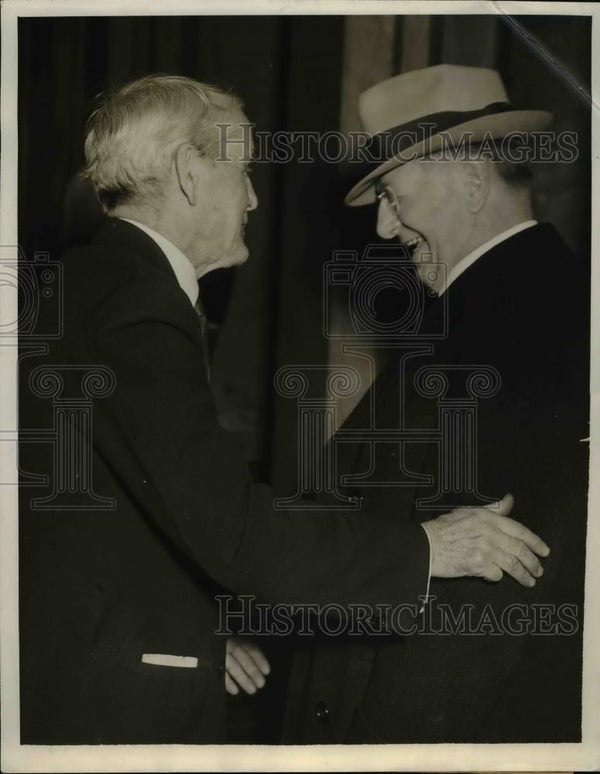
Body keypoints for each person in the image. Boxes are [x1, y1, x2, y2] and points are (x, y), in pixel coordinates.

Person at [19, 73, 550, 745]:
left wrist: (190, 624)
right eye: (240, 171)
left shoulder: (82, 283)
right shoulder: (137, 302)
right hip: (102, 706)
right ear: (188, 172)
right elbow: (232, 528)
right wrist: (430, 548)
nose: (250, 197)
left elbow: (101, 518)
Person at [283, 65, 589, 744]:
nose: (388, 229)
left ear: (472, 179)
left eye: (394, 196)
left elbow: (491, 597)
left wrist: (388, 749)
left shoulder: (517, 329)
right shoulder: (502, 312)